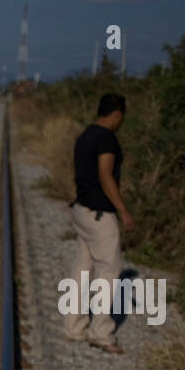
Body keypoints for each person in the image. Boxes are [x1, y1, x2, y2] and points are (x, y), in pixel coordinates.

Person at [67, 93, 133, 355]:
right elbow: (106, 176)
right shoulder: (106, 138)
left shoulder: (86, 135)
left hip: (81, 210)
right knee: (108, 272)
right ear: (117, 114)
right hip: (100, 216)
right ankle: (101, 333)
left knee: (82, 270)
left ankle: (74, 327)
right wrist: (124, 211)